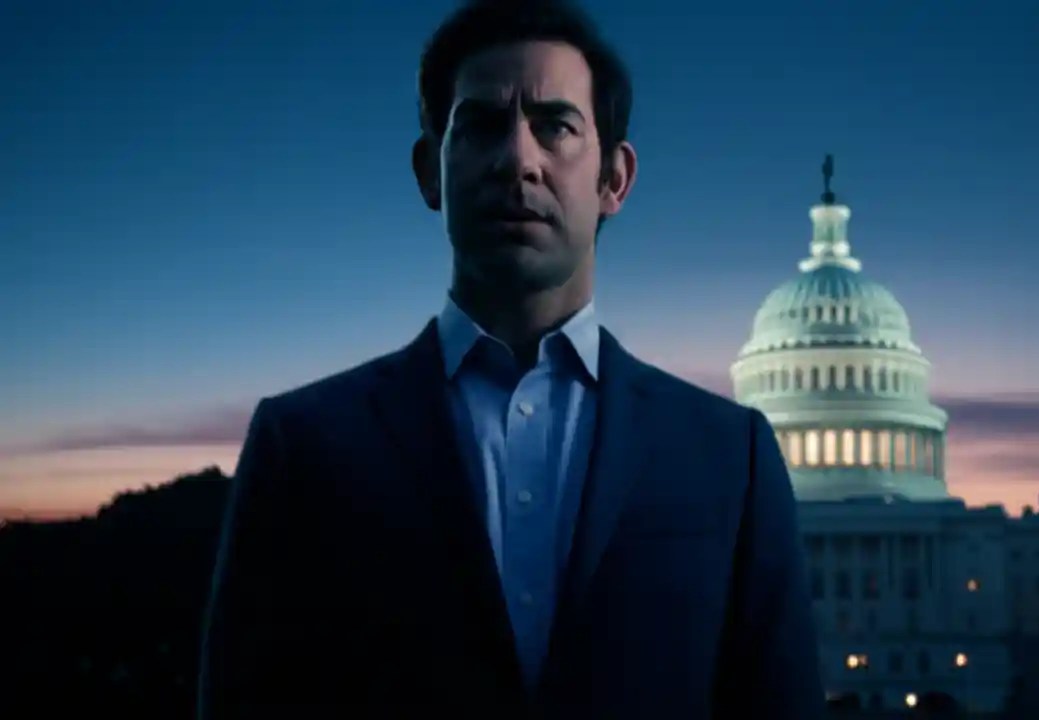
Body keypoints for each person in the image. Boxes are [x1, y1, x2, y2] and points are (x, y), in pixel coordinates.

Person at [196, 0, 824, 716]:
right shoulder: (301, 446)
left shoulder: (729, 458)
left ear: (614, 180)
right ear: (429, 173)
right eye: (483, 124)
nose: (518, 160)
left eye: (555, 125)